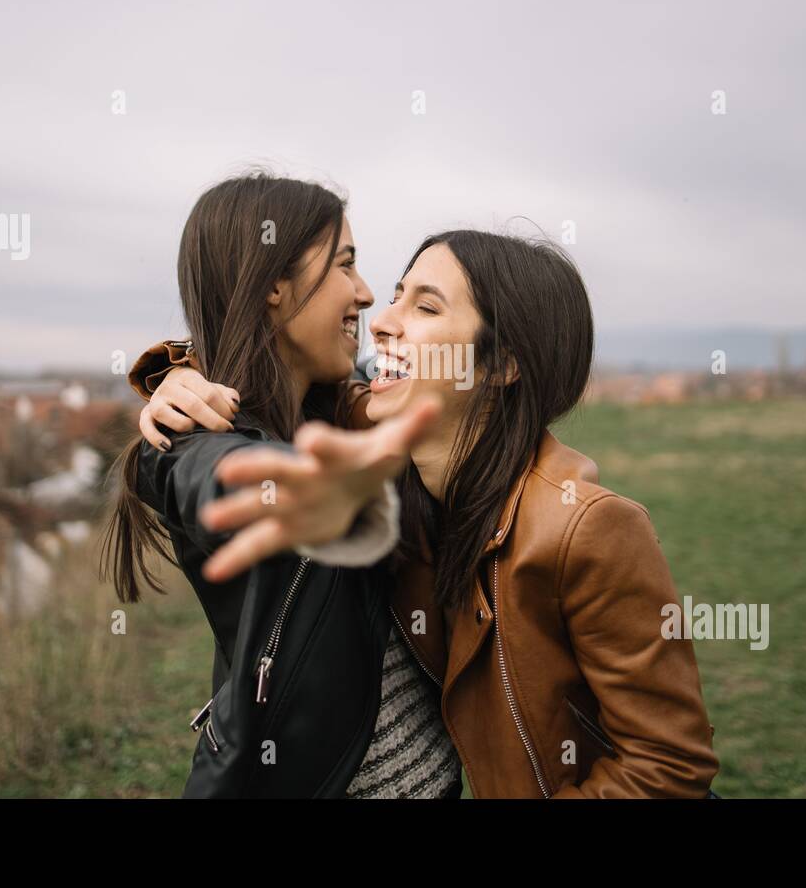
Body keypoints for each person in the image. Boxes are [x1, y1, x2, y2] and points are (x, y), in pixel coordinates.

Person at [131, 229, 721, 797]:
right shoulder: (389, 448)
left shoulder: (587, 529)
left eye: (426, 308)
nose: (381, 323)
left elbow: (668, 763)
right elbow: (283, 377)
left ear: (500, 365)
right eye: (393, 298)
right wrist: (176, 375)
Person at [100, 171, 462, 797]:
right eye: (346, 265)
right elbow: (207, 475)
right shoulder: (194, 441)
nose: (367, 293)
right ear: (273, 284)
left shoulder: (330, 414)